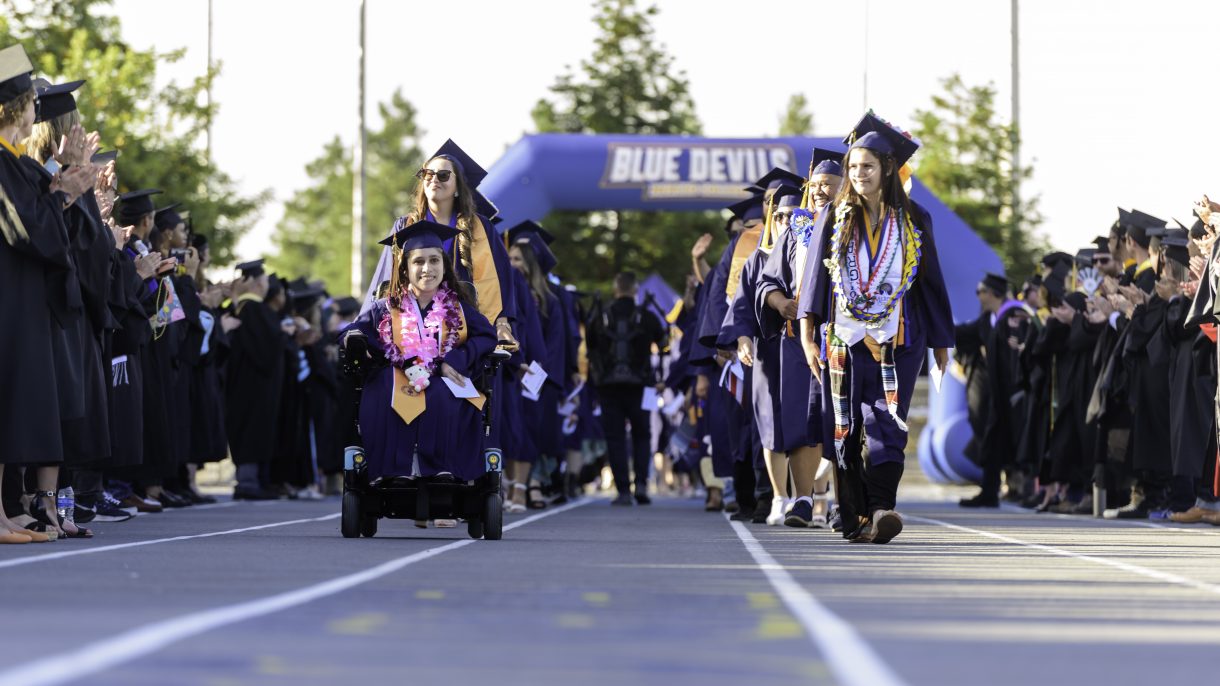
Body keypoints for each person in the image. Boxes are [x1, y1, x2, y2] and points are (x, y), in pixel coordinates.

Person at [797, 111, 954, 543]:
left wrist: (940, 342)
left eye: (866, 166)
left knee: (888, 425)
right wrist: (808, 333)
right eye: (852, 167)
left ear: (887, 168)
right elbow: (814, 277)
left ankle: (882, 507)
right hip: (843, 343)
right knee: (845, 429)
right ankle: (856, 518)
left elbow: (931, 280)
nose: (858, 174)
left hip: (898, 341)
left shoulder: (914, 220)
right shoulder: (835, 216)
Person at [341, 219, 496, 482]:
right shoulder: (384, 307)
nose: (427, 269)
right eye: (419, 261)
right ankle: (392, 471)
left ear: (444, 265)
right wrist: (365, 345)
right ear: (405, 267)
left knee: (443, 391)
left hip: (442, 377)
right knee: (387, 387)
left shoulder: (458, 308)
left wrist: (453, 361)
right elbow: (353, 332)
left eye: (434, 260)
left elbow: (486, 336)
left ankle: (441, 469)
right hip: (399, 376)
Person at [757, 148, 844, 527]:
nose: (821, 191)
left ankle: (844, 502)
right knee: (801, 423)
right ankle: (803, 499)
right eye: (817, 184)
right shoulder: (797, 228)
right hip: (797, 341)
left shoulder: (857, 227)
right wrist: (778, 302)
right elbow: (768, 280)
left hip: (843, 337)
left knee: (843, 422)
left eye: (829, 184)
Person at [586, 271, 667, 505]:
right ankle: (641, 484)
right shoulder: (647, 316)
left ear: (615, 288)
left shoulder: (600, 316)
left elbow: (590, 347)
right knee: (643, 435)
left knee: (615, 437)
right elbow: (663, 344)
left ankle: (622, 490)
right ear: (635, 290)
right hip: (642, 386)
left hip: (608, 386)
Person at [225, 259, 286, 500]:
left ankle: (256, 480)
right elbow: (268, 348)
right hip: (255, 385)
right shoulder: (255, 310)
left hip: (248, 384)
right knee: (252, 429)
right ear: (257, 284)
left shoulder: (242, 308)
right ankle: (249, 482)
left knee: (253, 429)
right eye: (261, 281)